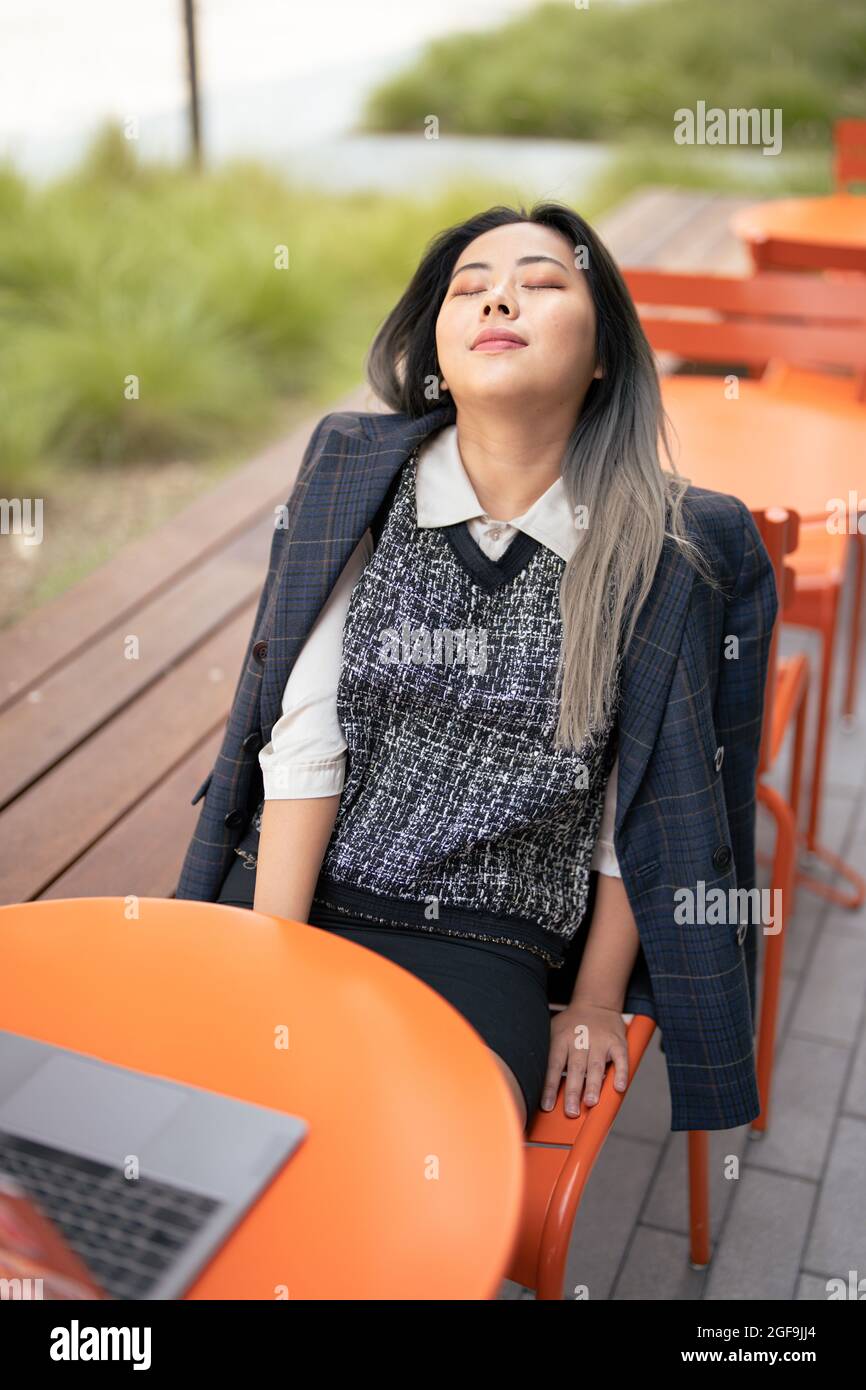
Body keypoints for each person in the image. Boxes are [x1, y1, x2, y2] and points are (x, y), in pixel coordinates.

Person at [176, 201, 779, 1135]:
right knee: (201, 1118)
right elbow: (305, 740)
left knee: (424, 1155)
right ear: (438, 354)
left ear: (603, 355)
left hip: (485, 940)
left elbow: (643, 796)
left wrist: (593, 999)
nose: (500, 301)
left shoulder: (665, 542)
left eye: (541, 285)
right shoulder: (358, 474)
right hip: (295, 888)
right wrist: (272, 956)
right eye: (472, 290)